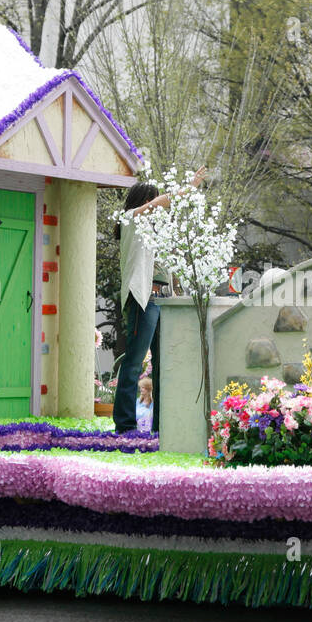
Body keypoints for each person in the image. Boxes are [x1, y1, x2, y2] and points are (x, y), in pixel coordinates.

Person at [112, 166, 206, 434]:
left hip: (162, 302)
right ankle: (125, 425)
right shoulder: (130, 219)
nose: (157, 210)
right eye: (150, 202)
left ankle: (161, 425)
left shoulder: (154, 232)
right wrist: (190, 186)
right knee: (134, 361)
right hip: (143, 299)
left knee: (163, 364)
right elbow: (158, 204)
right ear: (143, 202)